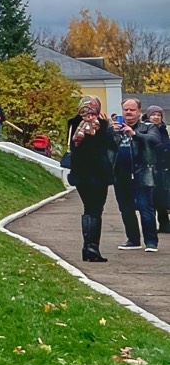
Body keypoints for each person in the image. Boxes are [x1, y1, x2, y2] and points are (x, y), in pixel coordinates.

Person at [66, 96, 115, 263]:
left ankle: (87, 248)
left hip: (80, 174)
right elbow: (110, 144)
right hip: (98, 174)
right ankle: (92, 248)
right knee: (95, 210)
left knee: (88, 209)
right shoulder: (101, 125)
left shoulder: (73, 124)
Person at [111, 97, 159, 252]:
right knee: (126, 209)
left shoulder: (148, 127)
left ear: (139, 111)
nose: (129, 113)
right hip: (121, 174)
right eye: (126, 110)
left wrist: (134, 134)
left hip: (142, 172)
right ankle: (133, 240)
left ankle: (151, 242)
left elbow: (153, 140)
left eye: (132, 110)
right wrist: (110, 131)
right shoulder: (116, 129)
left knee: (146, 209)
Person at [145, 107, 170, 233]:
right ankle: (150, 226)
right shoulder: (145, 129)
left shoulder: (163, 129)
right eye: (153, 115)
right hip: (150, 167)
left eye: (158, 115)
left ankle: (164, 223)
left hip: (163, 168)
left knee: (162, 196)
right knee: (151, 198)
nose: (156, 117)